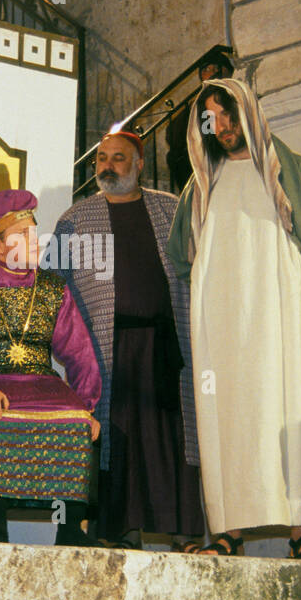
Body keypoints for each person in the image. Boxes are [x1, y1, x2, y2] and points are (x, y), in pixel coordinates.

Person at [167, 79, 301, 558]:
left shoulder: (287, 171)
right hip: (221, 321)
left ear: (247, 113)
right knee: (227, 417)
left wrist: (299, 281)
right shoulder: (204, 183)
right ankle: (228, 531)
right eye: (211, 119)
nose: (220, 127)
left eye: (227, 115)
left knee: (287, 406)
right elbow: (182, 254)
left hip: (278, 313)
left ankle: (300, 533)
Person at [54, 129, 204, 550]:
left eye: (118, 158)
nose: (107, 166)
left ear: (138, 164)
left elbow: (199, 269)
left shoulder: (171, 210)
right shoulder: (75, 218)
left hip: (165, 343)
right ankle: (121, 532)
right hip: (105, 348)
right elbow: (54, 288)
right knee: (117, 440)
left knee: (173, 437)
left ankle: (185, 534)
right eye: (101, 158)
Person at [0, 189, 101, 546]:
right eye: (22, 235)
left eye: (33, 232)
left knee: (73, 418)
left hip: (42, 383)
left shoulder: (53, 288)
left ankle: (69, 528)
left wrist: (87, 405)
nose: (34, 241)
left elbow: (79, 351)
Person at [164, 46, 235, 192]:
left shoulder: (233, 95)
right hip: (202, 151)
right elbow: (174, 133)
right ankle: (192, 192)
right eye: (206, 69)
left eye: (216, 68)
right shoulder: (199, 101)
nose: (212, 73)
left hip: (221, 151)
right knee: (175, 156)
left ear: (227, 71)